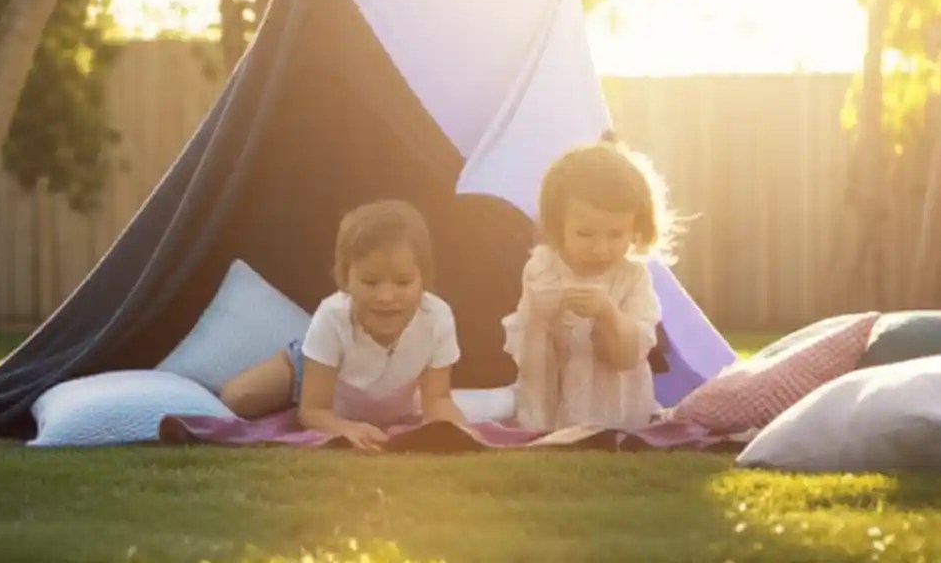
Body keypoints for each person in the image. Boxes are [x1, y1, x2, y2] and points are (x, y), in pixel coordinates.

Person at [220, 200, 465, 449]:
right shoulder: (332, 316)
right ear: (346, 279)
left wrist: (459, 432)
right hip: (312, 368)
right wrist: (343, 428)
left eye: (402, 282)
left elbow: (437, 400)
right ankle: (293, 371)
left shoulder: (437, 317)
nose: (386, 298)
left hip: (374, 389)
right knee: (238, 399)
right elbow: (314, 410)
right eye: (370, 282)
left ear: (423, 279)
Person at [503, 134, 679, 431]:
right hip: (548, 411)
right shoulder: (543, 267)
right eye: (585, 234)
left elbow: (628, 357)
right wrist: (548, 310)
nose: (600, 249)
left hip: (615, 415)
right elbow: (532, 344)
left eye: (615, 234)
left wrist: (607, 314)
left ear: (636, 227)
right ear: (559, 225)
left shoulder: (633, 278)